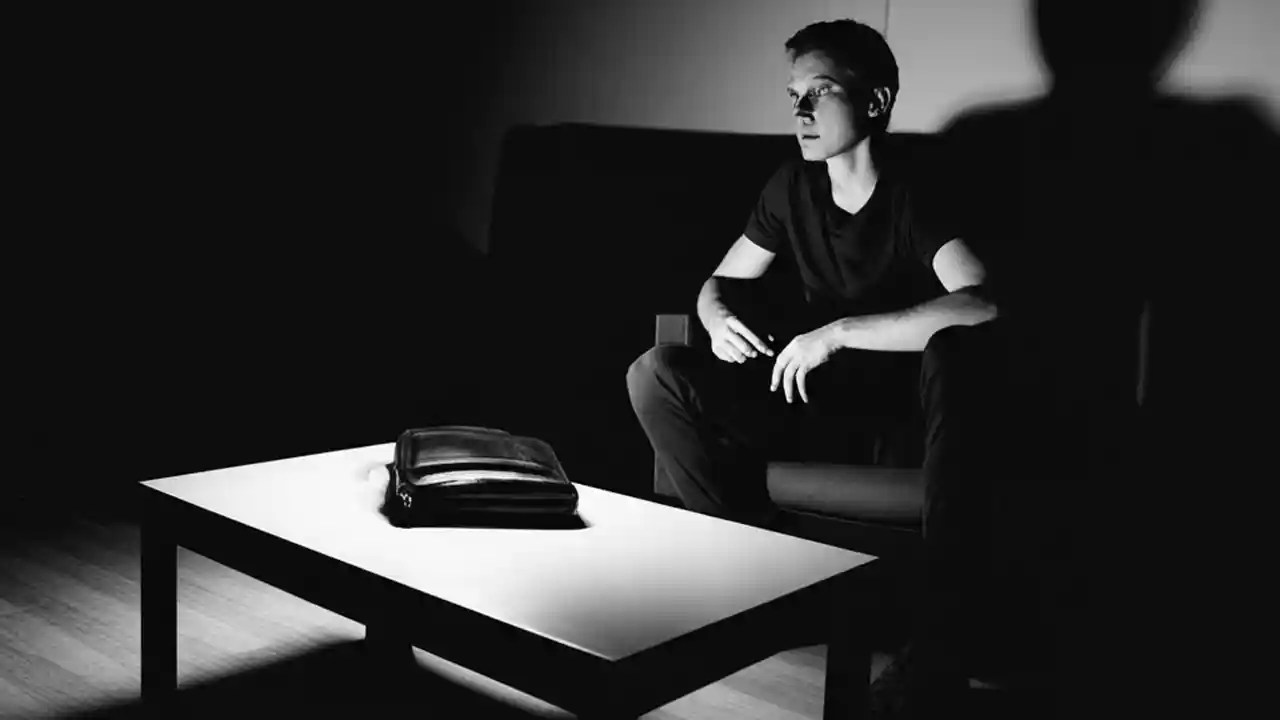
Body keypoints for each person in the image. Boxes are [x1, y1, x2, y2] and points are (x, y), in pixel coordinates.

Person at [626, 19, 998, 714]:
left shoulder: (915, 193)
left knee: (957, 353)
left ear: (876, 102)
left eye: (820, 92)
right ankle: (762, 589)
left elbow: (985, 307)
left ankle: (939, 645)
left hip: (914, 424)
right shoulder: (789, 187)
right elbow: (718, 284)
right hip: (815, 408)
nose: (800, 111)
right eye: (794, 93)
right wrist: (716, 318)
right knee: (656, 371)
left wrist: (842, 331)